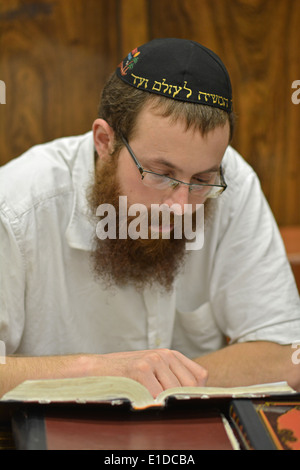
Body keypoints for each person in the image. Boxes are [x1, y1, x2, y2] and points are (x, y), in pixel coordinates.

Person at [0, 38, 299, 398]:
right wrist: (98, 372)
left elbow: (288, 354)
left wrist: (162, 384)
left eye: (202, 181)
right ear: (104, 141)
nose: (181, 207)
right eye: (160, 174)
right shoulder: (17, 206)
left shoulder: (232, 181)